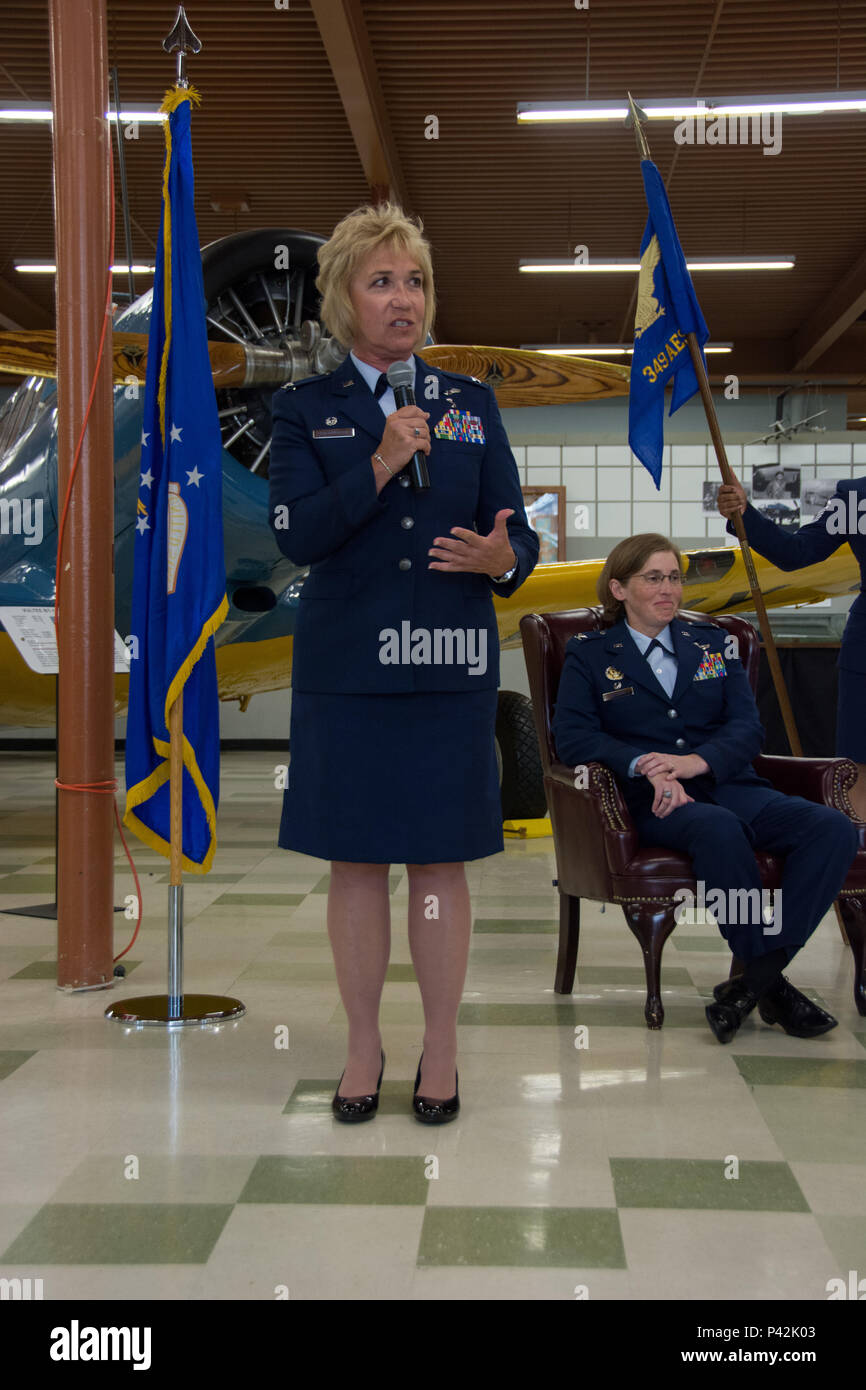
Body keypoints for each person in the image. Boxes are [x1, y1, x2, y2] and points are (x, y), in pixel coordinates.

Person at [268, 202, 539, 1123]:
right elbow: (299, 534)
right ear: (345, 299)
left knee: (438, 868)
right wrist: (380, 463)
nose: (403, 298)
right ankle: (361, 1045)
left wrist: (510, 560)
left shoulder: (471, 405)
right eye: (381, 280)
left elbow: (518, 530)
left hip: (446, 670)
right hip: (348, 673)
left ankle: (441, 1046)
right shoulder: (305, 411)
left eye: (414, 280)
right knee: (354, 867)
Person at [552, 533, 858, 1044]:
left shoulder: (713, 645)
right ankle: (770, 985)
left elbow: (745, 729)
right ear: (619, 588)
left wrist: (693, 762)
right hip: (652, 801)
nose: (668, 588)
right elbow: (576, 737)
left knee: (831, 829)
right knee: (717, 829)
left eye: (674, 577)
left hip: (732, 786)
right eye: (653, 578)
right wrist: (647, 766)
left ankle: (753, 982)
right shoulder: (589, 653)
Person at [718, 472, 866, 821]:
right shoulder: (856, 496)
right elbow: (795, 552)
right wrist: (744, 512)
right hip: (865, 651)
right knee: (859, 767)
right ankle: (858, 869)